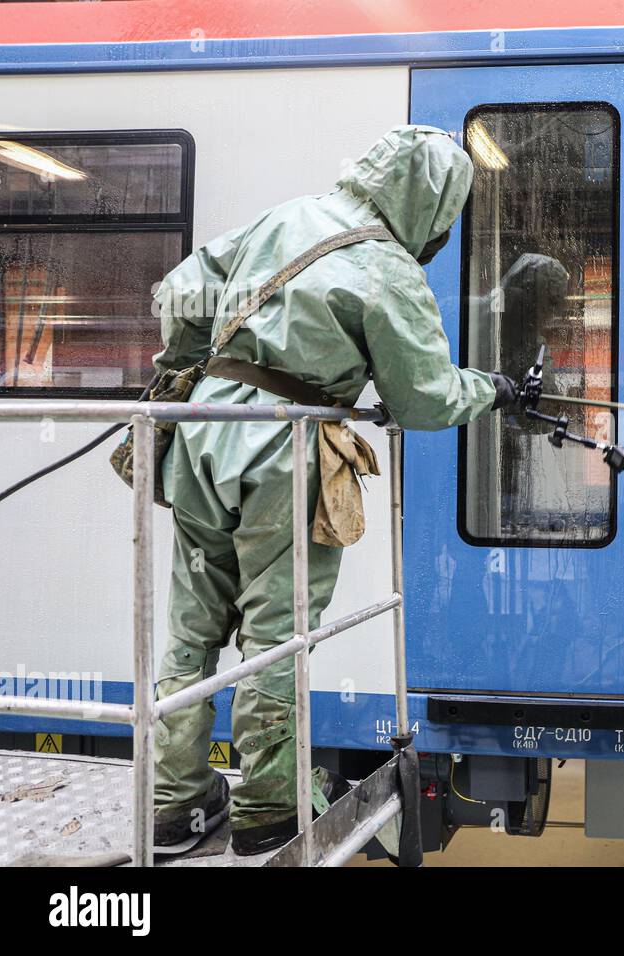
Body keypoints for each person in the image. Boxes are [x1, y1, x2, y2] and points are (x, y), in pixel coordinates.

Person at [149, 125, 523, 856]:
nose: (443, 232)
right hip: (283, 457)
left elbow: (181, 293)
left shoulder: (288, 216)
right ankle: (265, 812)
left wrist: (190, 367)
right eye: (445, 215)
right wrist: (493, 389)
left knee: (190, 632)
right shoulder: (388, 269)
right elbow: (424, 401)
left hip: (200, 437)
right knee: (275, 637)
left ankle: (174, 809)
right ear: (429, 203)